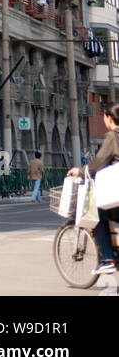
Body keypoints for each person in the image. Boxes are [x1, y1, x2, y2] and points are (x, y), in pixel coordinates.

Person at [67, 102, 119, 274]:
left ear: (109, 118)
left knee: (95, 214)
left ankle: (107, 259)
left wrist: (80, 171)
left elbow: (99, 162)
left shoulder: (113, 136)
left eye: (104, 116)